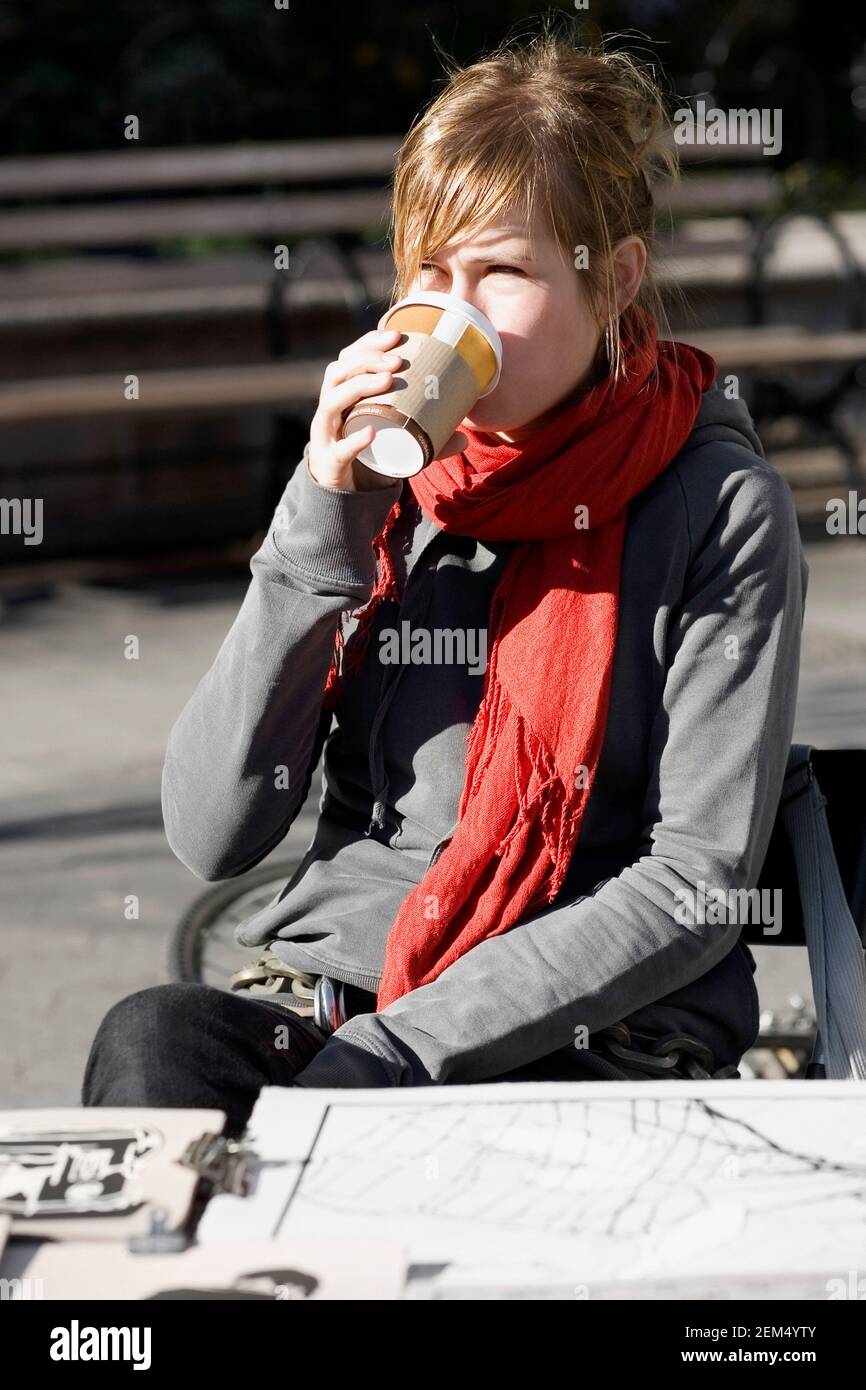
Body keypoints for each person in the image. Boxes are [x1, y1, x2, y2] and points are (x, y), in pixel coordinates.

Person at [82, 33, 808, 1137]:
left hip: (582, 1044)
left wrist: (399, 1051)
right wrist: (316, 524)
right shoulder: (398, 493)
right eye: (428, 273)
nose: (448, 314)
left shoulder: (715, 508)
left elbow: (693, 881)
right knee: (151, 1040)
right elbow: (211, 832)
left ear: (610, 280)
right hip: (335, 1009)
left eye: (500, 273)